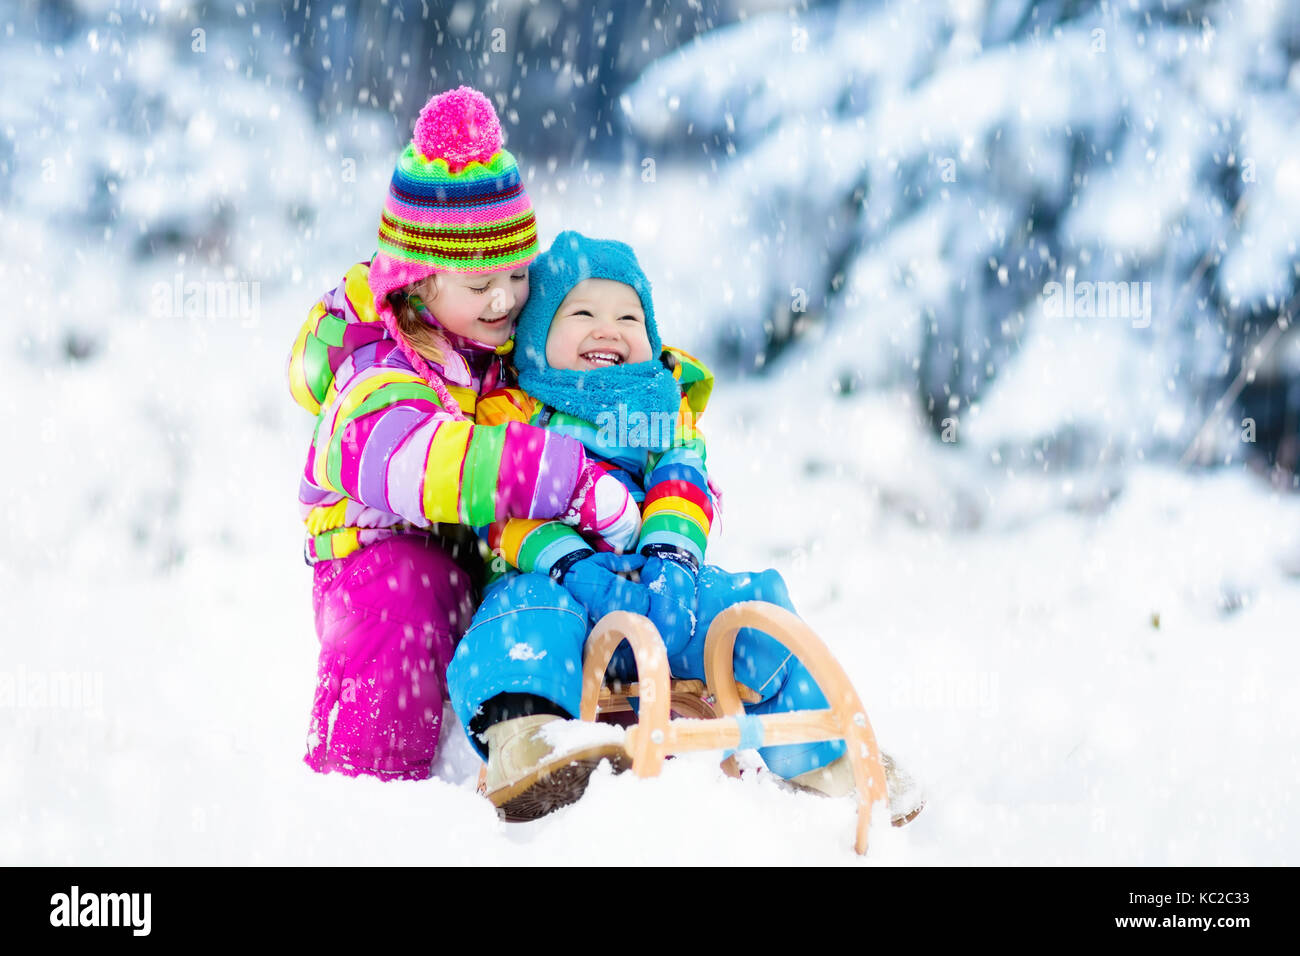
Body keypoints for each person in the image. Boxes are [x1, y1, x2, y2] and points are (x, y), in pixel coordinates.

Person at [447, 232, 922, 823]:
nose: (608, 329)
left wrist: (671, 565)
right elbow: (504, 508)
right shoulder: (512, 409)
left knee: (747, 606)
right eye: (583, 314)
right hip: (552, 578)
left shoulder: (662, 411)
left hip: (658, 587)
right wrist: (571, 562)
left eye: (629, 317)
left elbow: (682, 483)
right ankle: (528, 739)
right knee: (521, 618)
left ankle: (825, 754)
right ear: (538, 336)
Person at [287, 93, 640, 782]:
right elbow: (415, 462)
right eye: (481, 282)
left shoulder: (496, 342)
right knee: (407, 597)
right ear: (418, 282)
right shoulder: (375, 363)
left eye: (518, 273)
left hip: (473, 550)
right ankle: (365, 778)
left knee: (543, 587)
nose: (505, 297)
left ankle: (570, 731)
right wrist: (549, 472)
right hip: (374, 559)